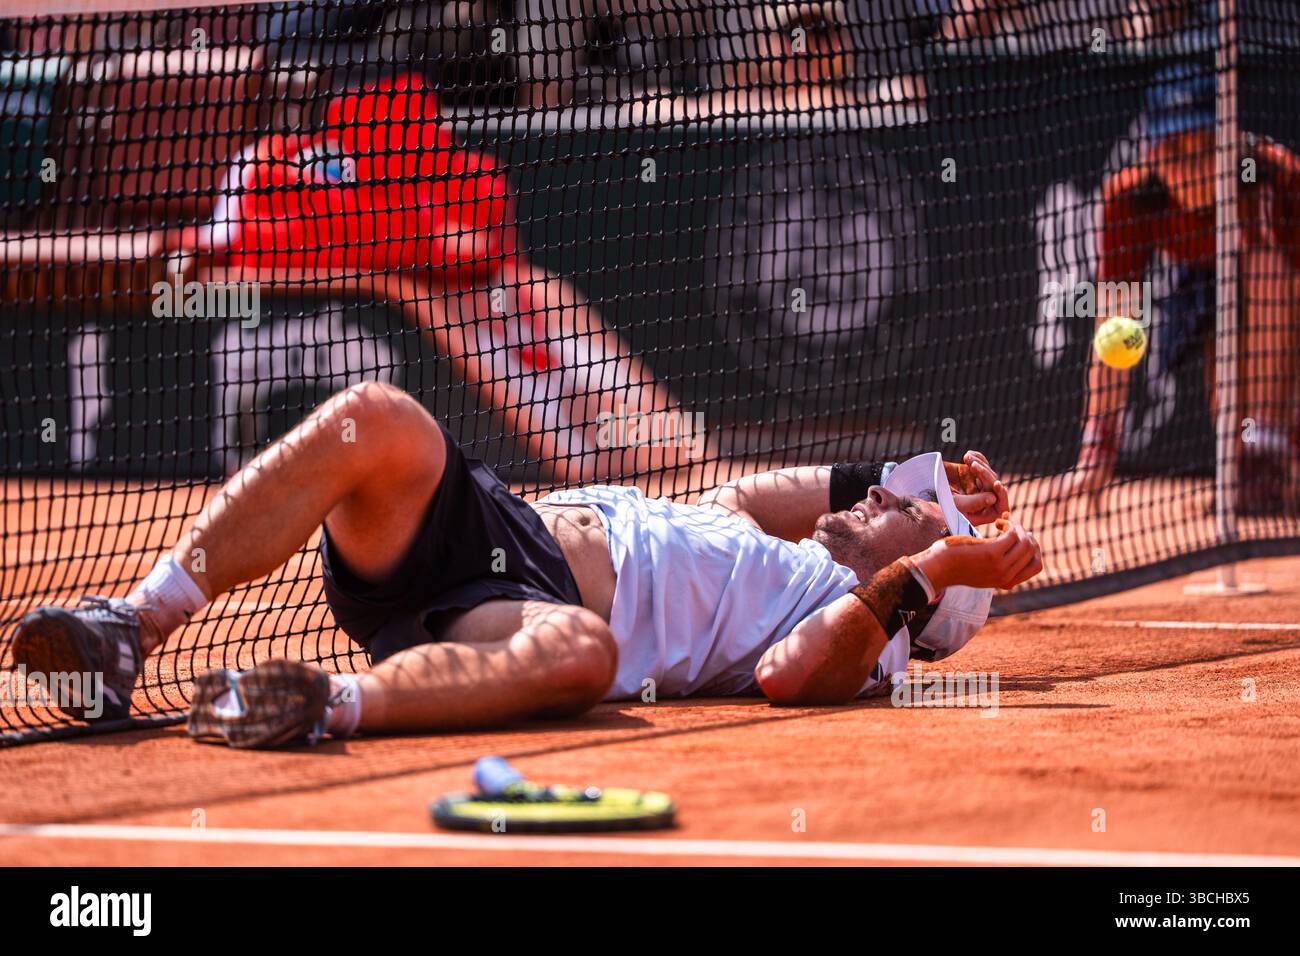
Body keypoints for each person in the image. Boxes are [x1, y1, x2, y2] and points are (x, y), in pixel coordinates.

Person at [12, 381, 1042, 748]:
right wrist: (922, 485)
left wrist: (940, 563)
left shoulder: (861, 625)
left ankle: (304, 703)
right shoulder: (757, 531)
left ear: (927, 593)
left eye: (907, 509)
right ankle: (129, 624)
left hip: (508, 618)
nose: (883, 495)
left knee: (582, 652)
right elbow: (793, 486)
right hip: (488, 523)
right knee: (378, 415)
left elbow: (787, 676)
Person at [1070, 63, 1300, 513]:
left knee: (1263, 265)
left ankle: (1270, 445)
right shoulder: (1129, 199)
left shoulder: (1275, 178)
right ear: (1152, 152)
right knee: (1231, 407)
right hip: (1199, 289)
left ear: (1230, 141)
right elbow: (1115, 321)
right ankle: (1250, 450)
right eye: (1174, 151)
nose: (1190, 170)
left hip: (1276, 295)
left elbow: (1290, 297)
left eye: (1202, 149)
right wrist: (1097, 451)